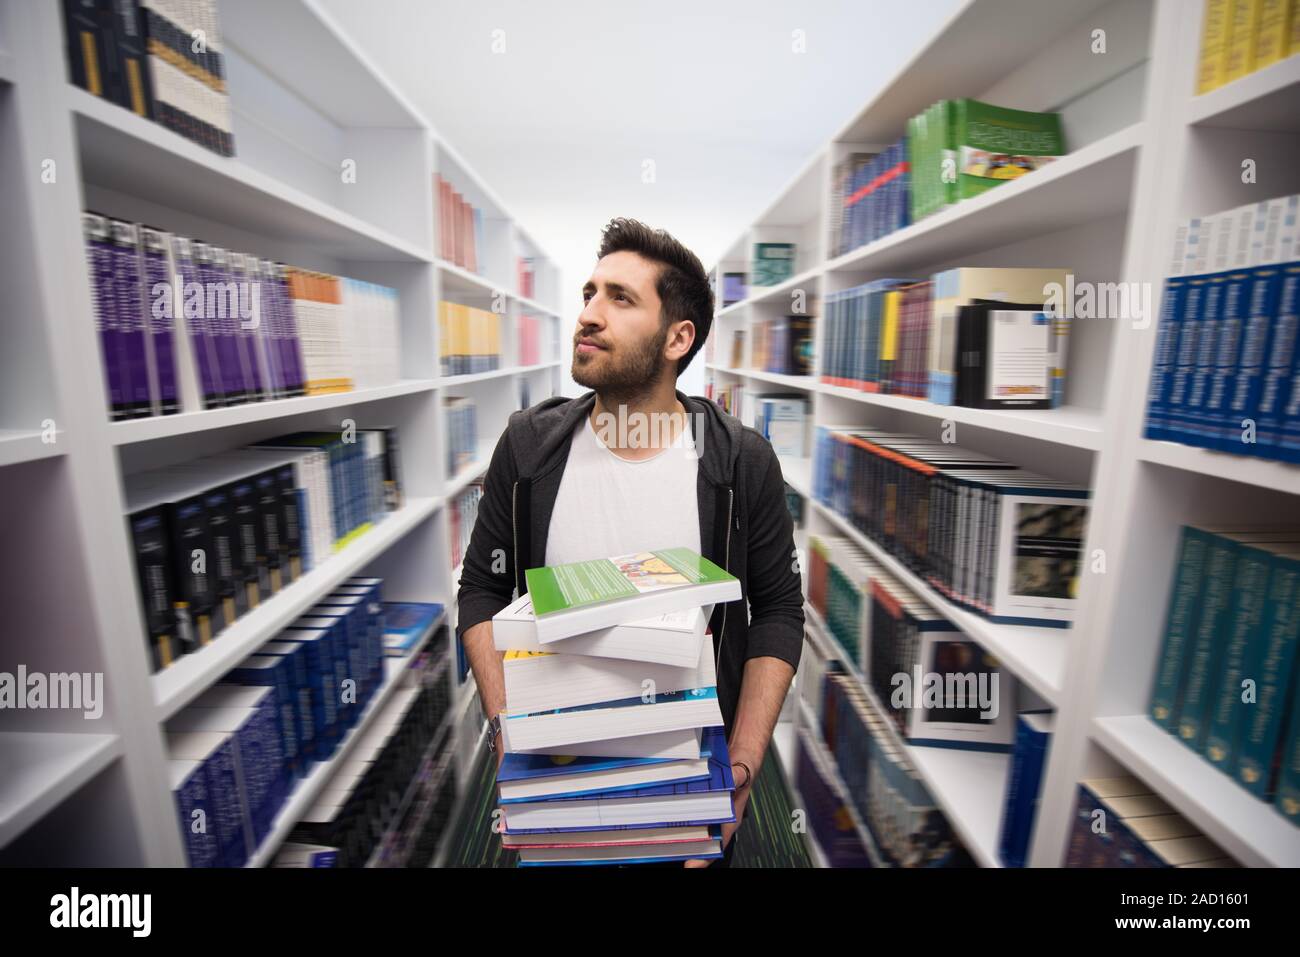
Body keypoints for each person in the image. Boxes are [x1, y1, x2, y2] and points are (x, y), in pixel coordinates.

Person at [456, 217, 804, 867]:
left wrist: (743, 769)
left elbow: (779, 614)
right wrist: (508, 732)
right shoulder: (529, 446)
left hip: (687, 785)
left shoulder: (739, 463)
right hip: (552, 778)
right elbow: (480, 588)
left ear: (679, 337)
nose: (588, 314)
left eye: (620, 298)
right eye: (589, 293)